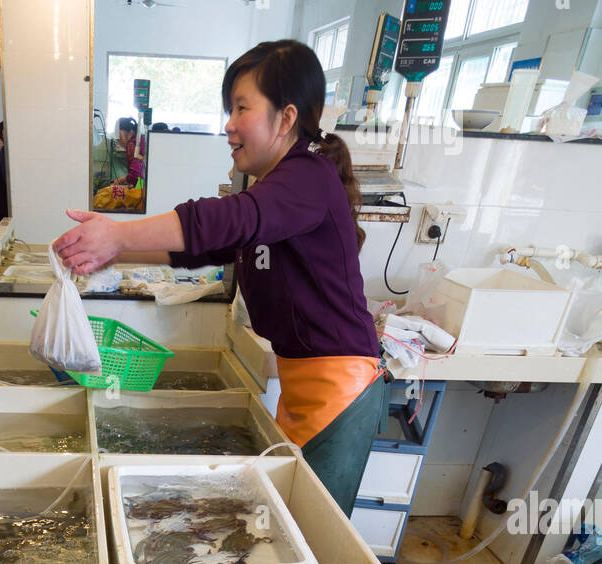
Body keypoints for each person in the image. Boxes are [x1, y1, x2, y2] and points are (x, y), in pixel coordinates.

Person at [57, 40, 385, 518]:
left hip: (341, 393)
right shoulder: (276, 186)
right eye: (229, 108)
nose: (229, 124)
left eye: (241, 108)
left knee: (313, 531)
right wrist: (111, 251)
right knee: (281, 516)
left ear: (286, 117)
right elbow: (205, 246)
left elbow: (227, 221)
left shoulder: (307, 178)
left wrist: (120, 235)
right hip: (304, 386)